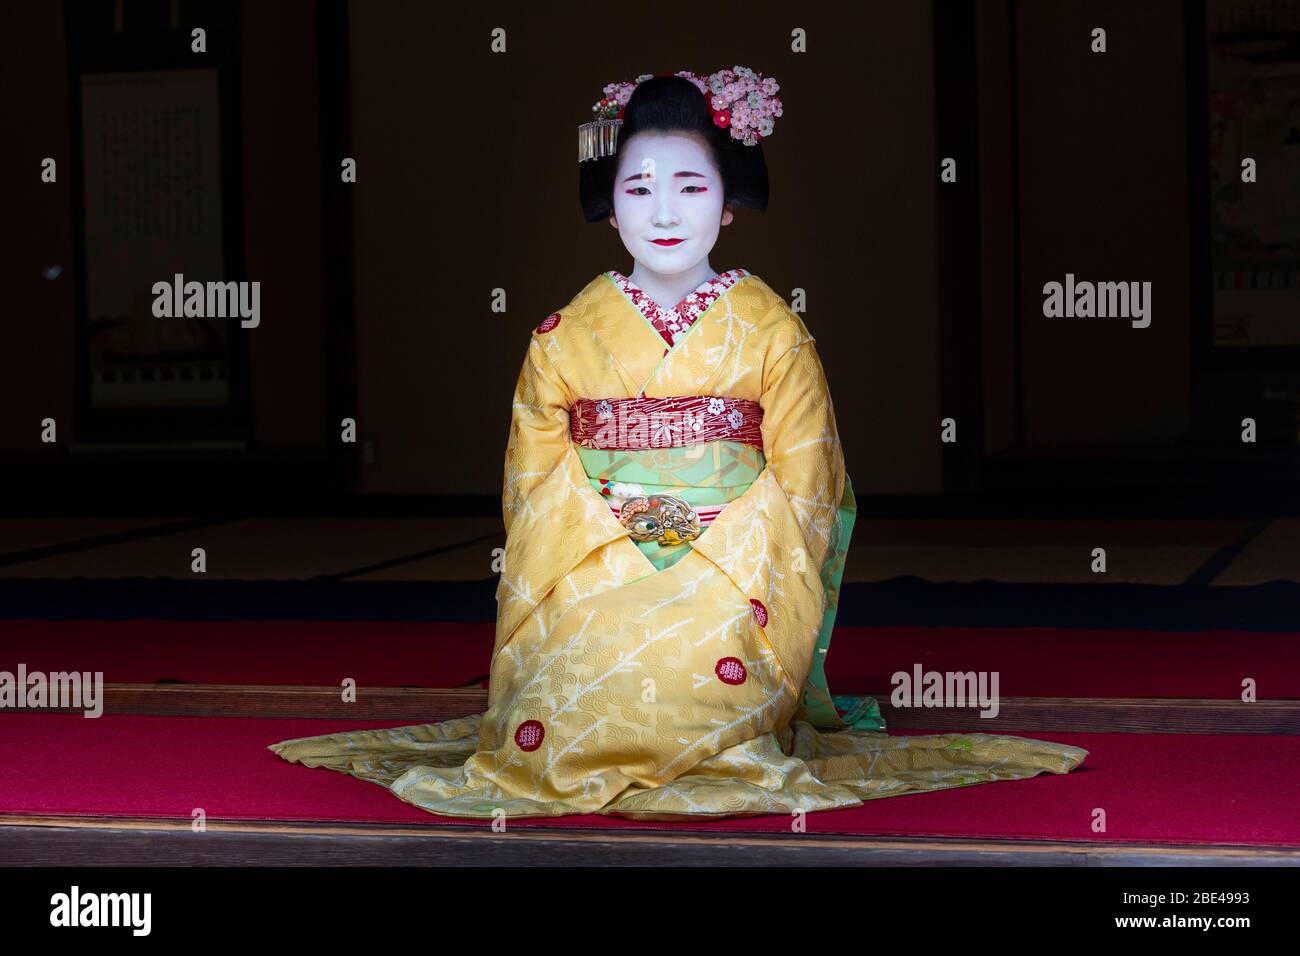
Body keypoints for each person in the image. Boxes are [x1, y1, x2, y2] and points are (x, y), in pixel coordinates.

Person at [269, 69, 1087, 820]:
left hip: (737, 557)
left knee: (695, 665)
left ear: (727, 203)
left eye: (691, 187)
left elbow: (807, 476)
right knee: (587, 661)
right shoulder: (563, 334)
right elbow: (535, 477)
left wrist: (709, 546)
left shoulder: (772, 328)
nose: (665, 213)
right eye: (640, 188)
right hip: (592, 547)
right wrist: (627, 543)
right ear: (609, 202)